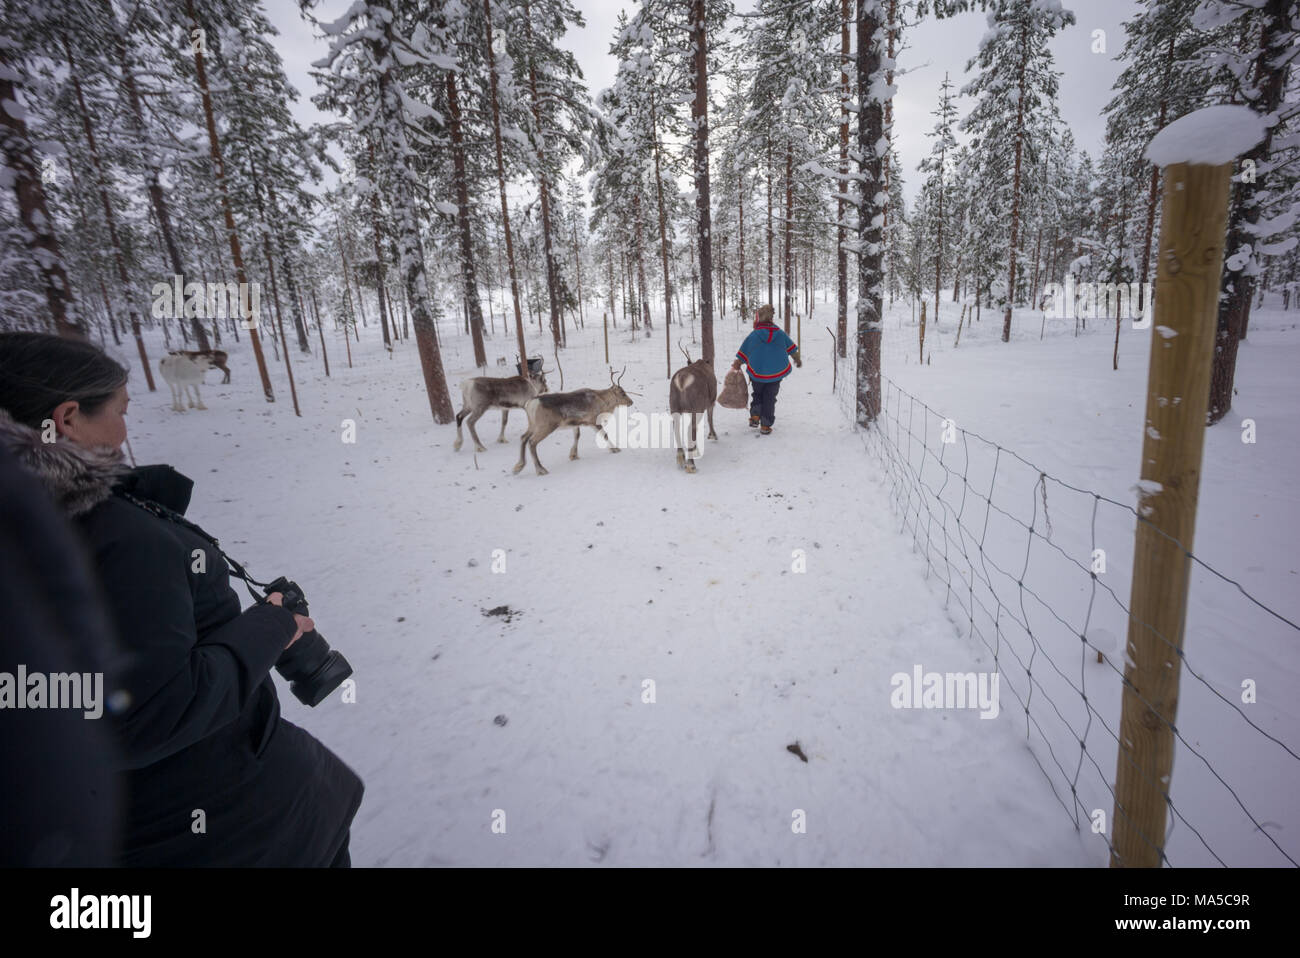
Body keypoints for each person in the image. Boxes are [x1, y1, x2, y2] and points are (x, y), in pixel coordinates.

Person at [0, 332, 363, 867]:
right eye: (121, 410)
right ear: (69, 417)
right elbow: (151, 713)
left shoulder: (34, 524)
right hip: (224, 821)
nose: (127, 430)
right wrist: (274, 626)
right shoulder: (108, 535)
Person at [730, 304, 801, 434]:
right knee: (770, 397)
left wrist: (738, 363)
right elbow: (791, 349)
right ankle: (766, 425)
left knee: (757, 394)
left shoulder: (754, 335)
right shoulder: (780, 334)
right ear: (771, 318)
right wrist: (797, 359)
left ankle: (755, 416)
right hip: (775, 373)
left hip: (757, 373)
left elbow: (745, 351)